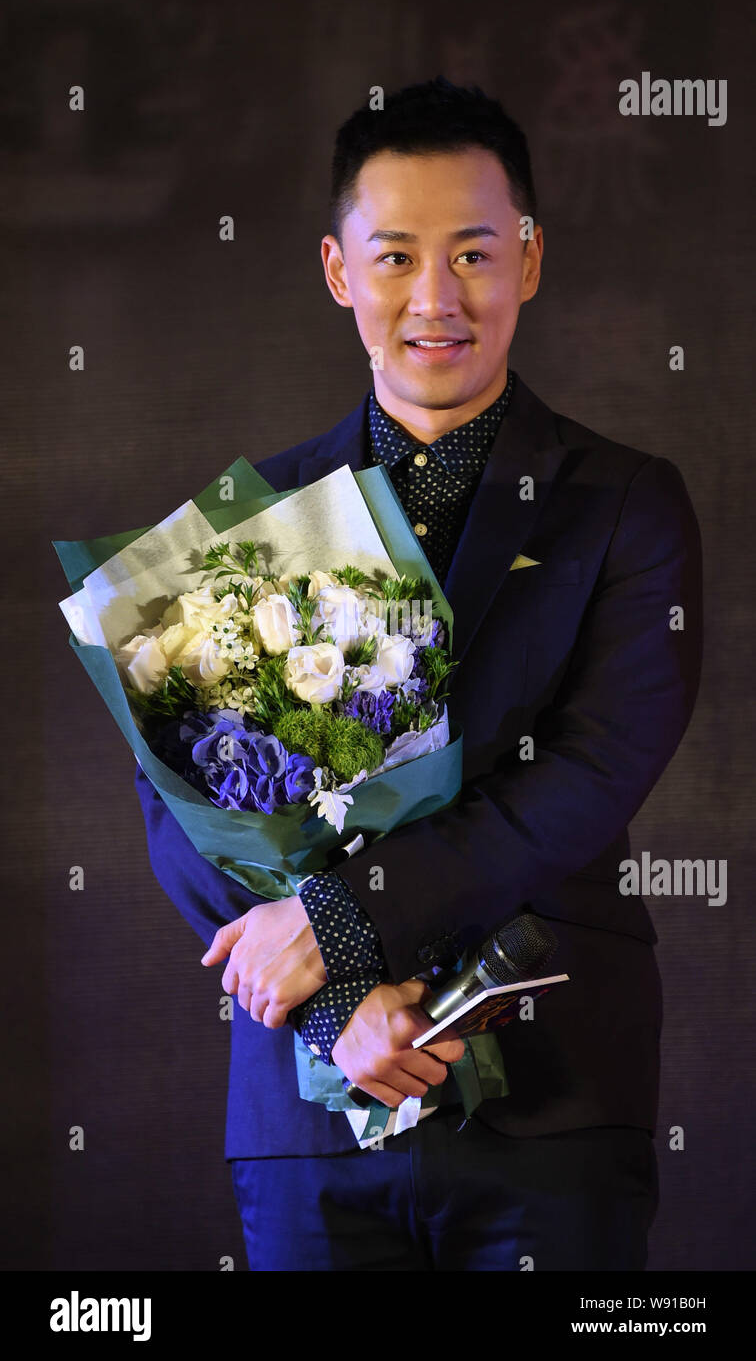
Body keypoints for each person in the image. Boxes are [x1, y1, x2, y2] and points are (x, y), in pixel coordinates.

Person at [134, 76, 703, 1271]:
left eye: (475, 255)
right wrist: (341, 1000)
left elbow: (585, 781)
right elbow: (177, 810)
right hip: (310, 1109)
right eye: (395, 257)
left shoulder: (628, 503)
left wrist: (343, 923)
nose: (435, 299)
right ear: (341, 271)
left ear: (531, 261)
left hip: (551, 1098)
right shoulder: (255, 519)